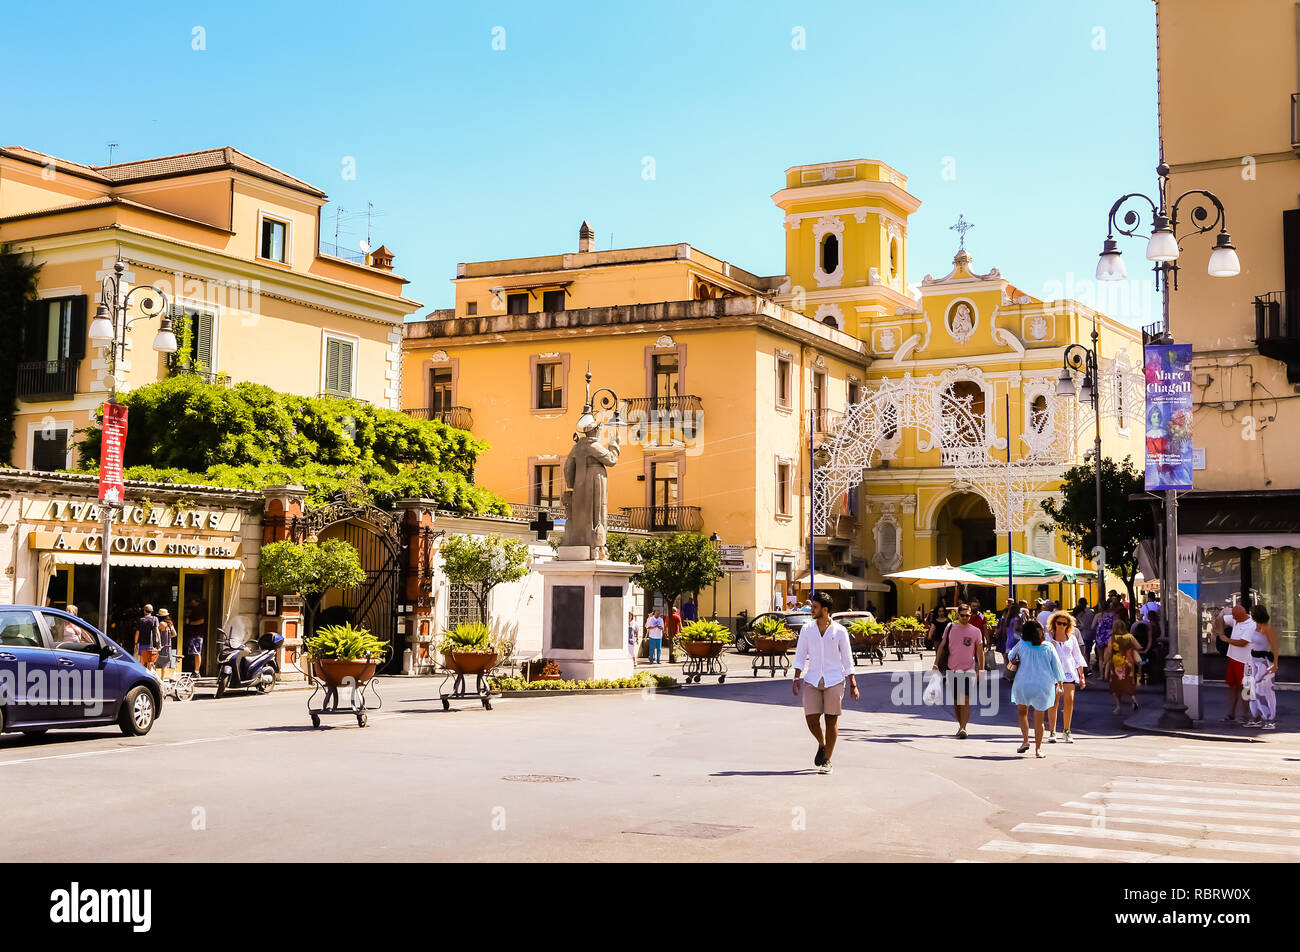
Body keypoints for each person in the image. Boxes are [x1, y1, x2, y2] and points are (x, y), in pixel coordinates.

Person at [792, 591, 859, 774]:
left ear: (825, 610)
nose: (812, 610)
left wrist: (852, 683)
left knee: (831, 720)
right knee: (811, 719)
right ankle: (822, 745)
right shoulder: (807, 629)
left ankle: (827, 760)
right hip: (812, 678)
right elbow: (800, 655)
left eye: (815, 607)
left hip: (835, 679)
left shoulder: (839, 631)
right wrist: (796, 677)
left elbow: (847, 658)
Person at [1007, 620, 1065, 758]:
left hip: (1023, 683)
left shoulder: (1022, 644)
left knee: (1022, 712)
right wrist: (1060, 684)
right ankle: (1038, 750)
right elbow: (1056, 667)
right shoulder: (1048, 647)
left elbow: (1010, 656)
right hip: (1043, 686)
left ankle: (1025, 741)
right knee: (1039, 718)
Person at [932, 602, 985, 739]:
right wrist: (936, 664)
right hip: (952, 668)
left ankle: (963, 728)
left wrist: (982, 670)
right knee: (956, 700)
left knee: (966, 699)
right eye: (962, 615)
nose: (965, 618)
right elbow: (942, 646)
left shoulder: (975, 631)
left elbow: (980, 652)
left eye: (967, 616)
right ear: (957, 615)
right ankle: (960, 725)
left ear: (970, 615)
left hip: (969, 669)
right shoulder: (950, 628)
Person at [1045, 611, 1087, 743]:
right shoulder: (1048, 637)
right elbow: (1044, 655)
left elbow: (1077, 657)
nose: (1062, 626)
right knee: (1053, 703)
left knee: (1069, 700)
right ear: (1054, 624)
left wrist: (1082, 675)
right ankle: (1052, 731)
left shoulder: (1072, 638)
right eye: (1059, 623)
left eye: (1065, 623)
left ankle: (1067, 730)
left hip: (1068, 673)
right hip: (1053, 674)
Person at [1219, 603, 1255, 724]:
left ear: (1240, 616)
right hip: (1233, 658)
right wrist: (1220, 632)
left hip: (1245, 661)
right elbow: (1220, 619)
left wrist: (1226, 639)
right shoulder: (1236, 620)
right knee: (1233, 687)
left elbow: (1243, 642)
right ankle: (1231, 713)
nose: (1233, 619)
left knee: (1246, 689)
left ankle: (1245, 714)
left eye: (1234, 617)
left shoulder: (1251, 625)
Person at [1244, 605, 1279, 730]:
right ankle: (1256, 717)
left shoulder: (1267, 629)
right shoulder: (1255, 627)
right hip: (1253, 661)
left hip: (1264, 663)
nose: (1250, 614)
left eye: (1252, 612)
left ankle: (1270, 719)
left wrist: (1275, 664)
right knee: (1252, 691)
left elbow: (1274, 647)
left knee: (1267, 692)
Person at [1108, 618, 1141, 714]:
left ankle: (1118, 707)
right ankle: (1134, 700)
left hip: (1116, 663)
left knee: (1116, 685)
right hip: (1128, 663)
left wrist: (1105, 662)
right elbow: (1138, 646)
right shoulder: (1129, 637)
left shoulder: (1112, 638)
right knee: (1129, 683)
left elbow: (1109, 652)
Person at [1073, 597, 1096, 671]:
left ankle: (1085, 668)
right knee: (1088, 652)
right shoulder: (1091, 612)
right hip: (1091, 634)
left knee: (1083, 652)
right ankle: (1087, 666)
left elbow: (1082, 625)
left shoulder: (1081, 612)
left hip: (1083, 634)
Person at [184, 598, 206, 676]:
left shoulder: (199, 609)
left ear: (195, 600)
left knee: (197, 652)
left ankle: (197, 672)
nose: (190, 602)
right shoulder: (196, 608)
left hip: (197, 634)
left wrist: (190, 622)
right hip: (195, 634)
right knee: (195, 652)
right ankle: (196, 671)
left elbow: (201, 620)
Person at [134, 604, 159, 669]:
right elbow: (157, 631)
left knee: (142, 662)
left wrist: (136, 643)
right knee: (150, 662)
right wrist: (159, 642)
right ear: (151, 611)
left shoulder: (141, 620)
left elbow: (137, 632)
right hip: (152, 644)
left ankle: (142, 677)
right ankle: (149, 677)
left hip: (142, 644)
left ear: (144, 611)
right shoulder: (155, 619)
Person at [156, 608, 177, 681]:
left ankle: (155, 679)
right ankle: (162, 679)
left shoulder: (161, 624)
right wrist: (168, 637)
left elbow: (156, 633)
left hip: (161, 647)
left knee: (154, 663)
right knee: (164, 665)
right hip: (168, 647)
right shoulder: (170, 624)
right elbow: (175, 634)